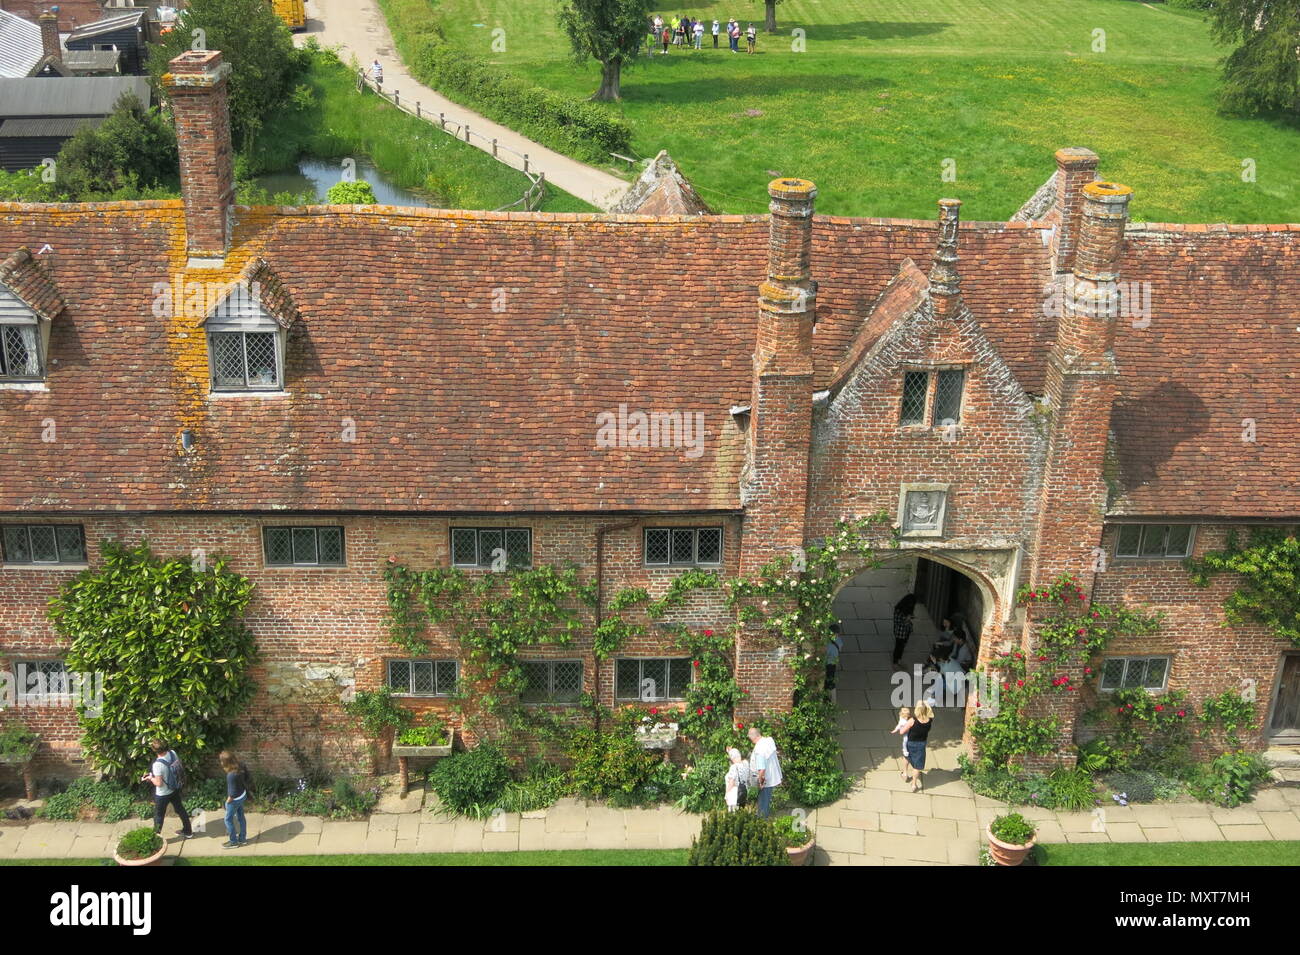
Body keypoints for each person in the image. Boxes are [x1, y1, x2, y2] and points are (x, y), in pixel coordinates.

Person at [141, 739, 192, 839]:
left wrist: (150, 777)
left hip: (163, 794)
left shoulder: (157, 765)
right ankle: (188, 831)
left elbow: (159, 783)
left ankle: (156, 838)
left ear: (154, 751)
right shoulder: (172, 753)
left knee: (159, 816)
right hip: (174, 788)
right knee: (180, 809)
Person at [747, 725, 783, 818]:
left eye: (751, 739)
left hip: (765, 779)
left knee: (763, 800)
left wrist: (760, 781)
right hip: (771, 776)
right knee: (765, 799)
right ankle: (762, 815)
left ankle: (762, 821)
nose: (751, 741)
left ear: (754, 737)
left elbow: (762, 769)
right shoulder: (768, 740)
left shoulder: (760, 749)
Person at [220, 750, 249, 848]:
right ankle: (243, 839)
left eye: (222, 761)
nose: (221, 763)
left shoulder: (231, 775)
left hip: (235, 800)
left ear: (226, 762)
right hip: (243, 795)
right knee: (241, 816)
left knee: (227, 820)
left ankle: (233, 842)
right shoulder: (241, 766)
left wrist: (227, 803)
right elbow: (247, 777)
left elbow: (232, 794)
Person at [903, 701, 933, 792]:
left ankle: (905, 774)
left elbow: (903, 731)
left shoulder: (913, 720)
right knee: (917, 766)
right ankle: (914, 784)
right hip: (921, 744)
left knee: (907, 756)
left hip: (911, 743)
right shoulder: (929, 720)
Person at [892, 593, 917, 668]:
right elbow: (897, 622)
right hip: (900, 632)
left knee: (903, 646)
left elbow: (910, 617)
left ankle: (899, 660)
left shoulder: (909, 609)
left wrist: (910, 617)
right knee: (898, 647)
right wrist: (907, 619)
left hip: (906, 631)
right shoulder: (898, 610)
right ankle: (895, 662)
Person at [890, 705, 912, 779]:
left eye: (908, 716)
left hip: (908, 735)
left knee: (905, 742)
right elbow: (899, 726)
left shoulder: (904, 719)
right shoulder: (904, 721)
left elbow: (900, 728)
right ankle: (906, 752)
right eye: (906, 716)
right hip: (908, 735)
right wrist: (895, 730)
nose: (907, 717)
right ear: (902, 715)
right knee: (906, 741)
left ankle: (906, 752)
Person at [724, 747, 749, 811]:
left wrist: (726, 795)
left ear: (732, 758)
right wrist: (730, 751)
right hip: (743, 793)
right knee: (740, 814)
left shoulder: (734, 767)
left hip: (734, 795)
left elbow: (731, 782)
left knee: (733, 816)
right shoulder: (746, 764)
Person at [824, 622, 844, 693]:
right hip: (834, 662)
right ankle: (831, 690)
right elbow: (840, 649)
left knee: (827, 679)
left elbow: (826, 653)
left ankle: (827, 694)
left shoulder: (828, 643)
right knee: (831, 676)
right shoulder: (839, 640)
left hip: (828, 663)